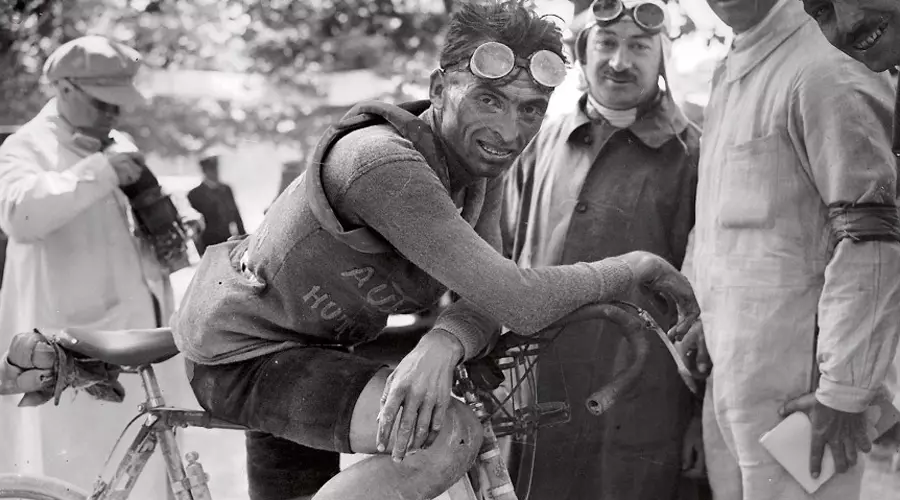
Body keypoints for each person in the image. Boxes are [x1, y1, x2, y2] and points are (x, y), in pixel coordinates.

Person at [171, 2, 702, 500]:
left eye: (530, 109)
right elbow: (517, 299)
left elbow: (490, 294)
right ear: (439, 88)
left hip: (321, 352)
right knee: (446, 436)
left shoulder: (477, 165)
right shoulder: (381, 164)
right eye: (488, 99)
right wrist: (631, 268)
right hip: (243, 353)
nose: (509, 131)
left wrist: (445, 341)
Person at [683, 0, 900, 498]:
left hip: (812, 406)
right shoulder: (731, 69)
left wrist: (846, 392)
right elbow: (719, 219)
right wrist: (701, 308)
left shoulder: (827, 59)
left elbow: (876, 235)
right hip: (733, 383)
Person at [502, 1, 704, 498]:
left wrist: (702, 419)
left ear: (662, 57)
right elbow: (500, 259)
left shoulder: (695, 155)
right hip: (535, 390)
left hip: (645, 399)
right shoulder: (536, 142)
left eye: (639, 46)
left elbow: (711, 299)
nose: (619, 61)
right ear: (582, 51)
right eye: (607, 43)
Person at [0, 35, 194, 498]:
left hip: (133, 334)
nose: (113, 116)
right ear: (63, 88)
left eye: (118, 105)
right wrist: (100, 171)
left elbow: (120, 234)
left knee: (147, 470)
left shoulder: (114, 142)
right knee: (77, 472)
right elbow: (19, 215)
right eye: (103, 104)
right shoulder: (25, 147)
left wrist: (173, 223)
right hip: (73, 347)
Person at [187, 149, 245, 255]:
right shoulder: (195, 195)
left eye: (216, 168)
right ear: (204, 171)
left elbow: (236, 214)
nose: (215, 172)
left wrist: (243, 236)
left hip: (227, 240)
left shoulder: (226, 189)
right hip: (208, 245)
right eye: (211, 169)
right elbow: (196, 226)